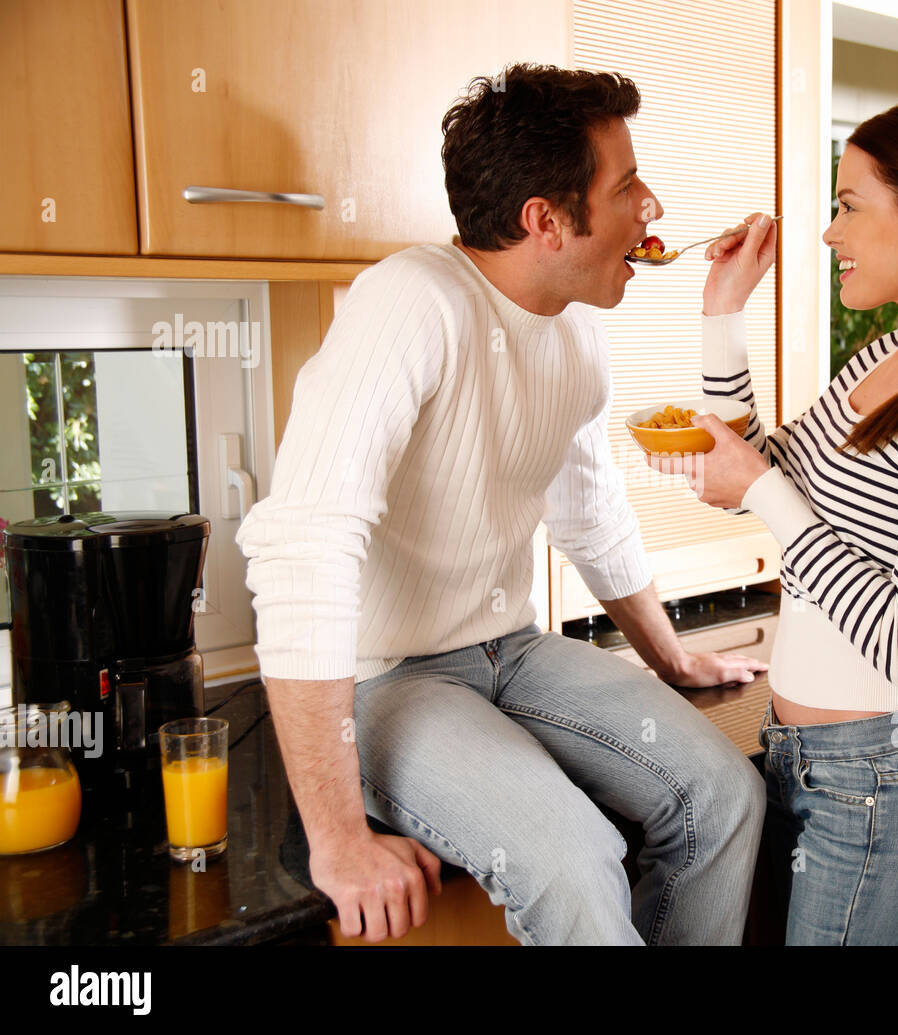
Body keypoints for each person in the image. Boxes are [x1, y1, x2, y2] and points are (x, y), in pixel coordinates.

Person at [235, 63, 769, 946]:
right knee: (572, 859)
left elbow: (588, 511)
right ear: (546, 220)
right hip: (385, 680)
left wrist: (670, 656)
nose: (654, 208)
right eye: (628, 184)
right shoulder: (409, 302)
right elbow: (304, 551)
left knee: (725, 796)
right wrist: (337, 839)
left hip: (514, 654)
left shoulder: (574, 327)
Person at [651, 97, 898, 944]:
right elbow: (780, 471)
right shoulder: (887, 354)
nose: (830, 234)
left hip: (891, 781)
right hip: (807, 762)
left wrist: (755, 485)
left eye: (850, 206)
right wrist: (724, 311)